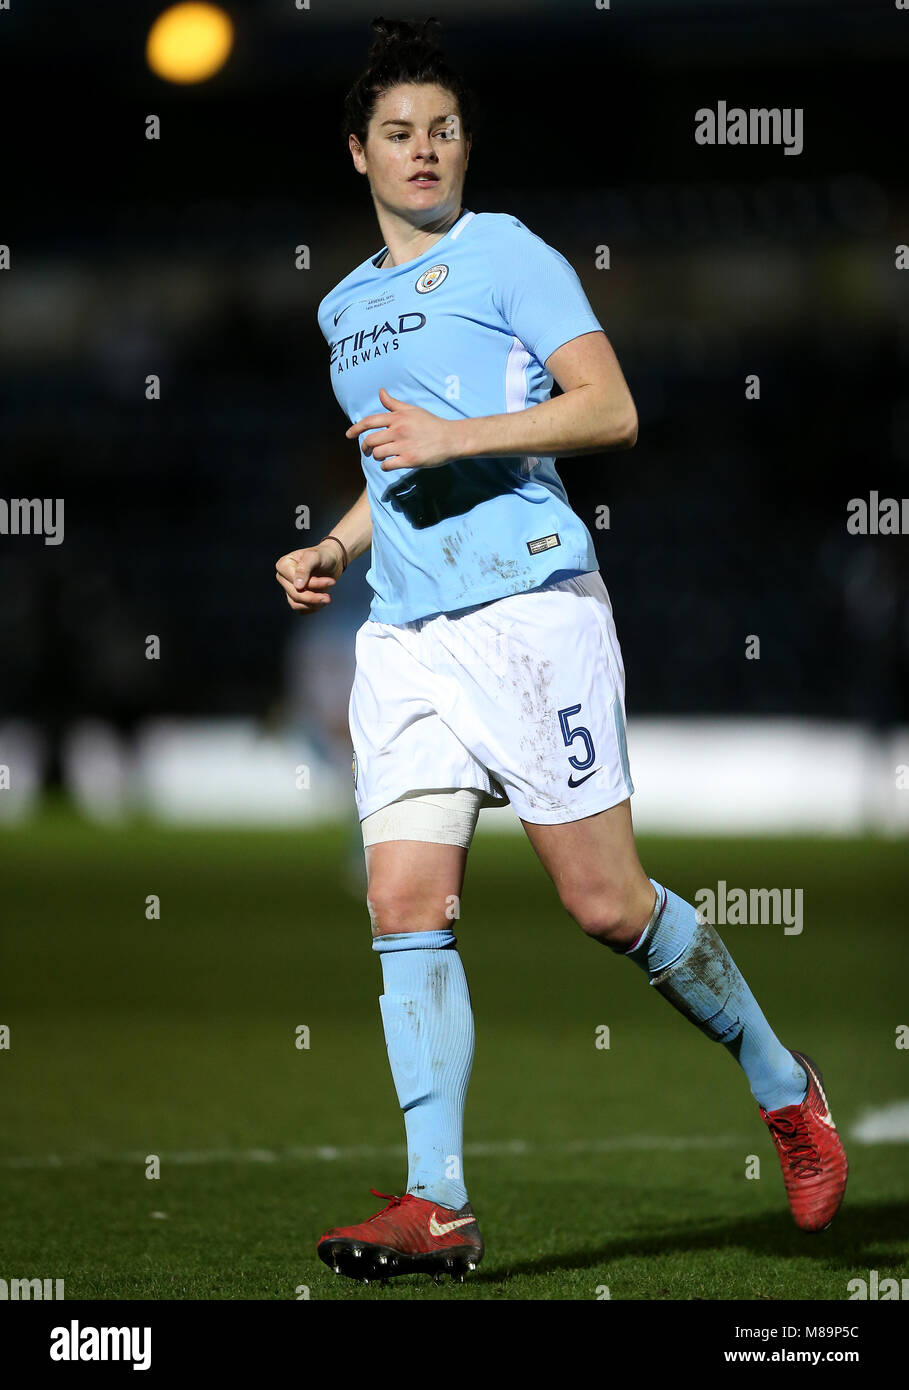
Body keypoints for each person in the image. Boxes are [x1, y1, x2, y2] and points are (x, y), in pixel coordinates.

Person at [274, 16, 847, 1285]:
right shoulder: (343, 306)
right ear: (359, 154)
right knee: (402, 907)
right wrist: (338, 541)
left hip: (530, 615)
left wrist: (459, 440)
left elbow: (610, 408)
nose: (425, 151)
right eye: (399, 134)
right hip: (405, 641)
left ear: (465, 146)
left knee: (604, 904)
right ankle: (438, 1202)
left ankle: (782, 1083)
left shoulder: (512, 256)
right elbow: (394, 456)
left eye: (444, 130)